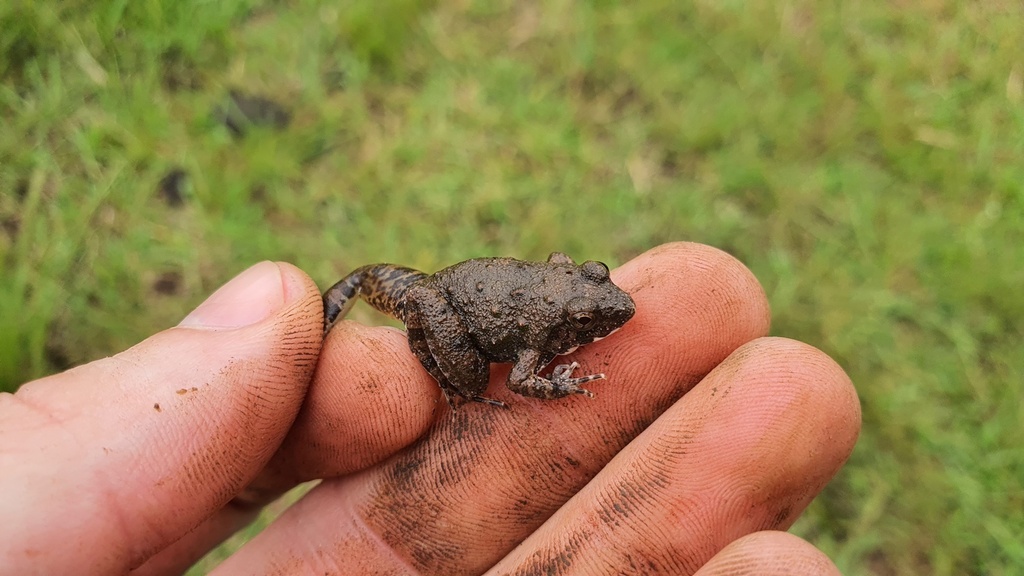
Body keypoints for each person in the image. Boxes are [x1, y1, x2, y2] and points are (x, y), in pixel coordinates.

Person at [0, 242, 860, 575]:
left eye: (595, 294)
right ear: (569, 321)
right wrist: (556, 382)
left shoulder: (564, 298)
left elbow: (558, 274)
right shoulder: (543, 339)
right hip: (454, 308)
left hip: (458, 286)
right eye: (591, 313)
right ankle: (404, 353)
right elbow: (523, 380)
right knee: (467, 376)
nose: (608, 309)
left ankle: (360, 311)